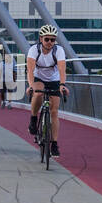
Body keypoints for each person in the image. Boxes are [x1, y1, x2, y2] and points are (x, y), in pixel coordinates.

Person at [27, 24, 68, 158]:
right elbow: (30, 70)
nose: (50, 42)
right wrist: (31, 85)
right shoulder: (34, 50)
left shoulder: (59, 50)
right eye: (47, 39)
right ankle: (33, 118)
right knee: (38, 93)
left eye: (52, 39)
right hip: (38, 77)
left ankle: (54, 144)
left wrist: (62, 84)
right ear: (41, 39)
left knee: (54, 111)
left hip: (54, 79)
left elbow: (62, 69)